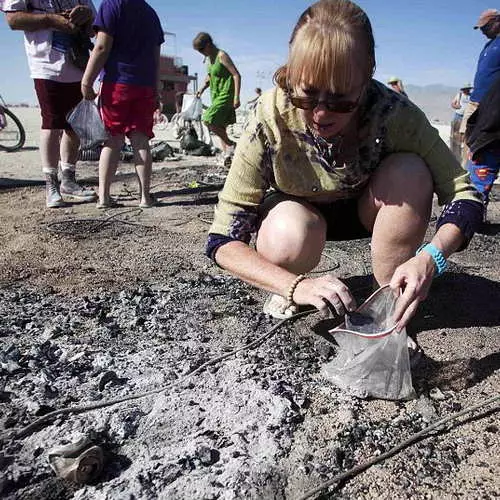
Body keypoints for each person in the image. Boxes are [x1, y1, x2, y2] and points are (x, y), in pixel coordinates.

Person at [205, 0, 483, 331]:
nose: (321, 115)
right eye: (306, 96)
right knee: (288, 235)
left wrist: (430, 258)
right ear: (291, 78)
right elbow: (222, 239)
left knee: (411, 171)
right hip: (298, 218)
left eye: (340, 100)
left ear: (366, 81)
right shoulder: (270, 117)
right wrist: (296, 286)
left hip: (370, 209)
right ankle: (284, 287)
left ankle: (389, 300)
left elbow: (466, 195)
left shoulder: (394, 114)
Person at [1, 0, 98, 208]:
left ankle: (69, 180)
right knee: (52, 123)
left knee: (74, 126)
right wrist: (51, 19)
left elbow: (93, 29)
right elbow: (13, 20)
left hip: (78, 63)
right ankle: (51, 186)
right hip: (45, 64)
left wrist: (86, 15)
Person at [80, 0, 164, 209]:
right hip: (144, 85)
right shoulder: (150, 13)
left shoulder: (112, 4)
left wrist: (86, 81)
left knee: (112, 140)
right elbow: (156, 59)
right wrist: (155, 89)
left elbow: (101, 46)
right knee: (141, 142)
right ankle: (145, 197)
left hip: (117, 83)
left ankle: (104, 197)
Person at [193, 32, 241, 167]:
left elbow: (236, 75)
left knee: (207, 119)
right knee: (220, 125)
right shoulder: (209, 59)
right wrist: (201, 88)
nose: (201, 53)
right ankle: (228, 157)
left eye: (201, 50)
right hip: (216, 94)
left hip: (226, 94)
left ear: (208, 45)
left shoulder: (222, 56)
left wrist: (237, 97)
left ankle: (232, 144)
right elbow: (210, 76)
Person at [460, 9, 500, 165]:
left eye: (486, 26)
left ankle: (478, 172)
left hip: (489, 105)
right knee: (466, 136)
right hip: (474, 101)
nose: (482, 31)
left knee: (482, 142)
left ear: (497, 22)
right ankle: (465, 172)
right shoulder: (488, 45)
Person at [465, 75, 500, 218]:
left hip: (485, 139)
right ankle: (469, 220)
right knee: (476, 190)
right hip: (489, 141)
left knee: (475, 188)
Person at [450, 83, 472, 160]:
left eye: (468, 89)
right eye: (465, 89)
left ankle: (464, 154)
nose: (467, 90)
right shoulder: (459, 95)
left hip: (467, 118)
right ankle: (455, 154)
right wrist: (456, 106)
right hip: (458, 116)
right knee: (456, 134)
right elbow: (453, 104)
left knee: (465, 135)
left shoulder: (471, 96)